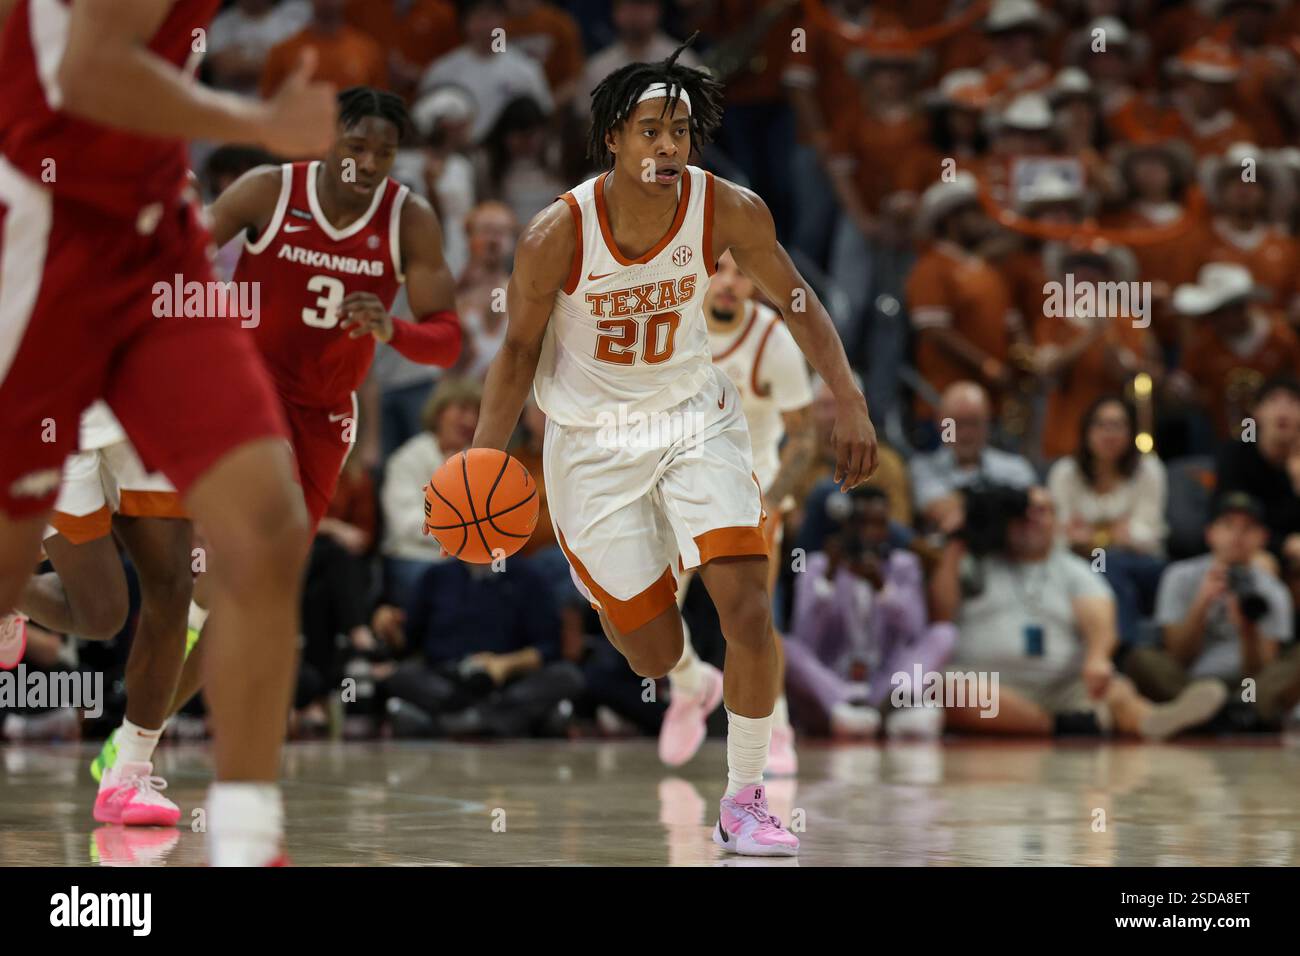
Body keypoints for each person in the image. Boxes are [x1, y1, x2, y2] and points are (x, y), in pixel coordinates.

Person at [465, 44, 877, 856]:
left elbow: (796, 299)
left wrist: (850, 397)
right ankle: (690, 682)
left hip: (695, 420)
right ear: (613, 139)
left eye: (680, 132)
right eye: (650, 131)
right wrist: (481, 460)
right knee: (648, 648)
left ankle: (746, 800)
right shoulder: (557, 233)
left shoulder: (730, 210)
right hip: (591, 446)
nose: (666, 147)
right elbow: (515, 353)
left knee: (749, 606)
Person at [0, 0, 335, 866]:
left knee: (261, 529)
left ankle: (231, 828)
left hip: (154, 248)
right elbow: (87, 73)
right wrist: (258, 121)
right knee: (93, 607)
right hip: (45, 234)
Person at [88, 86, 463, 787]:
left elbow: (447, 342)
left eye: (384, 152)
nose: (368, 164)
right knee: (226, 575)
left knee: (241, 604)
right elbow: (181, 254)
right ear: (328, 141)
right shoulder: (270, 189)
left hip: (325, 417)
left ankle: (133, 737)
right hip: (244, 397)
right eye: (356, 147)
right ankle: (134, 747)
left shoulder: (409, 219)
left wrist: (395, 329)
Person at [657, 250, 814, 775]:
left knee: (753, 620)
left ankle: (778, 726)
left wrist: (772, 499)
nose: (727, 282)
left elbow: (805, 437)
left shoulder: (773, 340)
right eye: (718, 269)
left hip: (750, 490)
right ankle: (689, 684)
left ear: (756, 282)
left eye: (742, 273)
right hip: (679, 482)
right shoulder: (674, 323)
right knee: (647, 615)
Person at [14, 403, 193, 827]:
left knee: (173, 584)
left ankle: (128, 773)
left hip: (148, 403)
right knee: (100, 615)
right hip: (54, 411)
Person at [932, 487, 1227, 739]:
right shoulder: (975, 562)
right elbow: (940, 615)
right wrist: (958, 540)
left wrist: (1097, 657)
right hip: (989, 686)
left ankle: (1154, 719)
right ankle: (1057, 725)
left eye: (1043, 511)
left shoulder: (1072, 569)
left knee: (1117, 690)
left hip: (1063, 685)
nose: (1032, 519)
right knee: (947, 690)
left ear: (1057, 522)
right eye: (1024, 511)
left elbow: (1099, 618)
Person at [787, 486, 955, 739]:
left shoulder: (904, 565)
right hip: (835, 679)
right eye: (861, 524)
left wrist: (883, 589)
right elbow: (806, 638)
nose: (869, 533)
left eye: (878, 525)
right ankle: (848, 706)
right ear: (845, 527)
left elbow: (914, 631)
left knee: (944, 633)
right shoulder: (817, 565)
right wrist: (829, 579)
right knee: (785, 646)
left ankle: (900, 702)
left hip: (885, 678)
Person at [1128, 492, 1300, 729]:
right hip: (1192, 682)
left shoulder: (1272, 590)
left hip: (1249, 686)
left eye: (1248, 528)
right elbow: (1178, 656)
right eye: (1228, 526)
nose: (1237, 536)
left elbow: (1262, 668)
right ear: (1210, 533)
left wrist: (1247, 628)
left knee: (1287, 665)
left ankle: (1226, 713)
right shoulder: (1180, 576)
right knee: (1141, 658)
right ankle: (1222, 712)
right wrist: (1201, 604)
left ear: (1262, 538)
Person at [1048, 397, 1167, 646]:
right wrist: (1113, 532)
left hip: (1142, 567)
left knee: (1106, 562)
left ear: (1131, 431)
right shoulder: (1065, 472)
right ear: (1086, 431)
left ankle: (1117, 647)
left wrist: (1091, 537)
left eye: (1118, 426)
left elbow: (1149, 535)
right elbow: (1059, 535)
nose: (1109, 434)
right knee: (1097, 567)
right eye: (1100, 425)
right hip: (1079, 565)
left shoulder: (1149, 469)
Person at [382, 378, 483, 606]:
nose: (470, 419)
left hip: (471, 559)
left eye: (476, 412)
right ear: (438, 412)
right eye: (462, 409)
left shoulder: (481, 460)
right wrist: (457, 532)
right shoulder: (407, 458)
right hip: (416, 557)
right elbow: (405, 523)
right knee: (447, 584)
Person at [910, 381, 1038, 534]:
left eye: (974, 423)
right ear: (940, 423)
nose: (965, 434)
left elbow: (1032, 509)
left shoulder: (1017, 467)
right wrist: (1006, 502)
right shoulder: (921, 467)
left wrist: (962, 505)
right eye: (956, 423)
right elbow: (939, 511)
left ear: (988, 422)